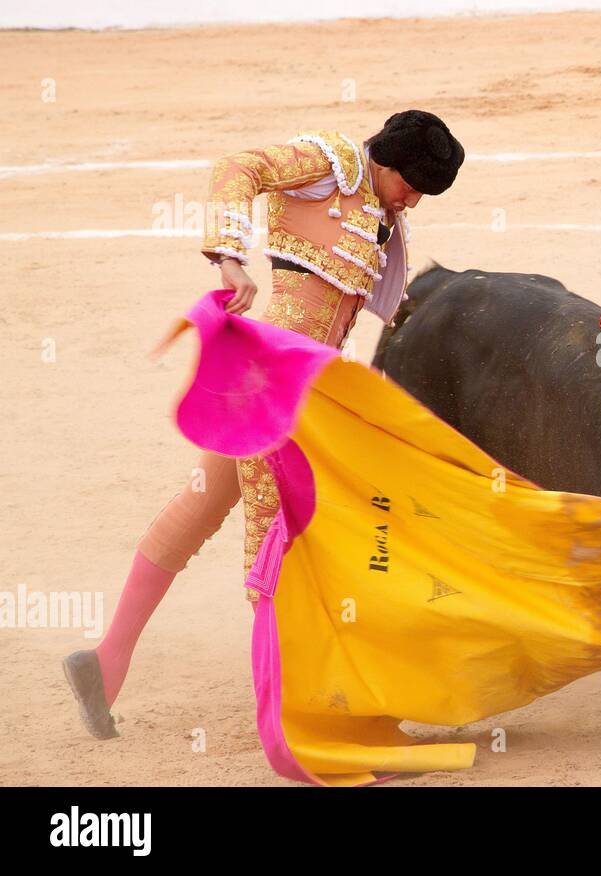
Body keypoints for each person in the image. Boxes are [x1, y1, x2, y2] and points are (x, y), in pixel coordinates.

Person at [63, 110, 464, 739]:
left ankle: (105, 662)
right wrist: (229, 257)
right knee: (279, 538)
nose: (412, 200)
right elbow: (238, 167)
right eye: (411, 186)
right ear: (385, 162)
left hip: (303, 386)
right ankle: (292, 715)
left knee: (200, 508)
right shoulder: (329, 165)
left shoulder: (382, 213)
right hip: (275, 386)